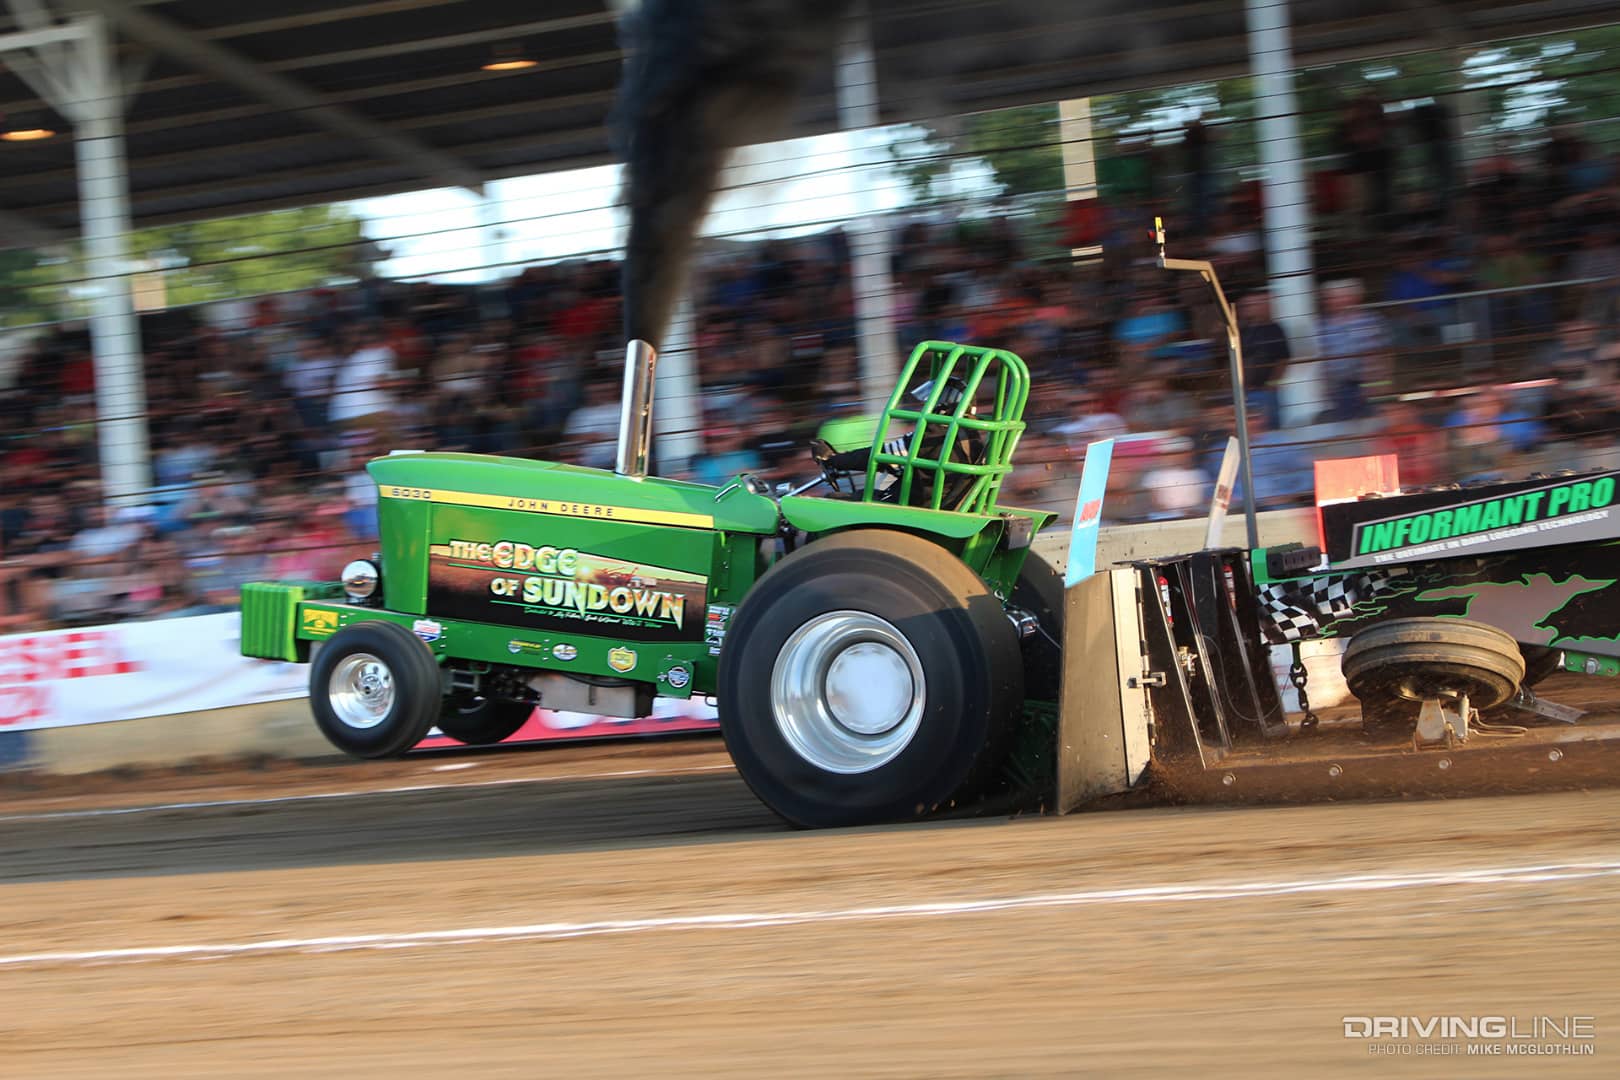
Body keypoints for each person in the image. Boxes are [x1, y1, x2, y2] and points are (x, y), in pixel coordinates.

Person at [1315, 278, 1394, 423]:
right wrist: (1325, 386)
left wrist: (1375, 386)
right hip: (1338, 387)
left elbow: (1379, 355)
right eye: (1329, 297)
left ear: (1355, 297)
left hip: (1367, 385)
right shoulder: (1321, 325)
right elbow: (1322, 357)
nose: (1331, 301)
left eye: (1338, 296)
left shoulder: (1371, 320)